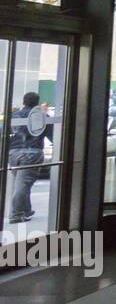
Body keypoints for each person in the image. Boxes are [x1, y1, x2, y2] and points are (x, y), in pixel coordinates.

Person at [8, 92, 52, 224]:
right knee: (22, 185)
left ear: (23, 102)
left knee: (20, 182)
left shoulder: (14, 116)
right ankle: (15, 215)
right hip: (32, 153)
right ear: (37, 103)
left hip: (14, 152)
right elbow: (52, 136)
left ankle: (26, 210)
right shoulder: (42, 117)